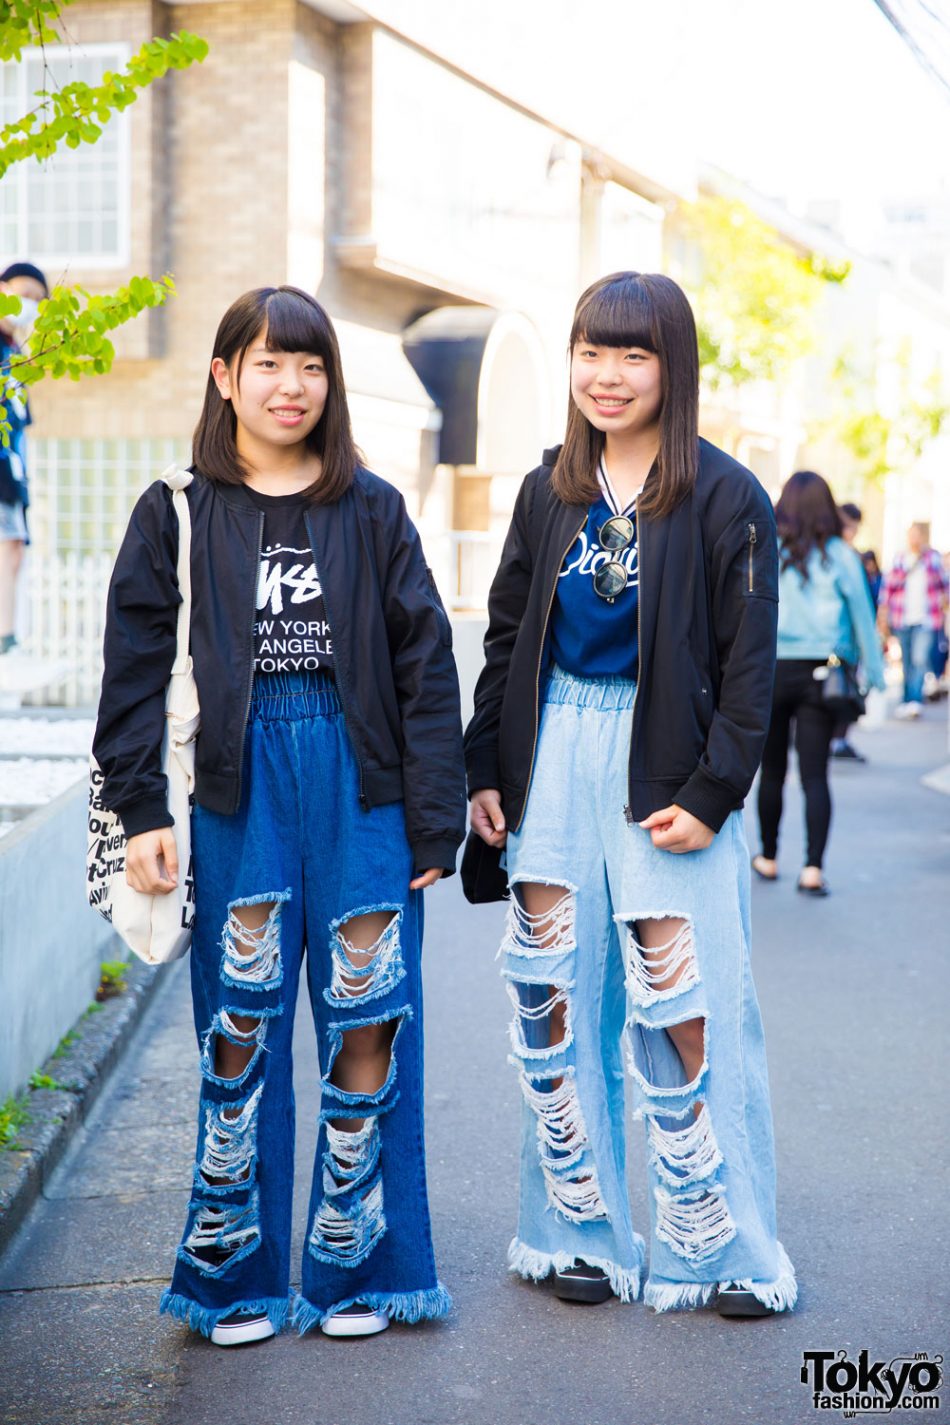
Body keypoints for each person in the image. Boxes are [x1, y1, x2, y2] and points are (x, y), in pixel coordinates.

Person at [93, 286, 465, 1346]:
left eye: (309, 367)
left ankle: (354, 1270)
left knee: (367, 1018)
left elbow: (425, 665)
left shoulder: (373, 508)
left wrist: (431, 820)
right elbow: (129, 673)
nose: (290, 386)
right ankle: (234, 1277)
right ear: (224, 378)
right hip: (232, 784)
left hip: (362, 784)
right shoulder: (176, 507)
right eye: (267, 364)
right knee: (239, 1023)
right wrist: (139, 809)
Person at [464, 271, 796, 1319]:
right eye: (590, 352)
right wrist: (485, 766)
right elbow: (508, 636)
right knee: (551, 990)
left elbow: (749, 668)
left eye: (631, 355)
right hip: (555, 742)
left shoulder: (727, 495)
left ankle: (724, 1245)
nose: (605, 377)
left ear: (671, 368)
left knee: (683, 999)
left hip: (665, 764)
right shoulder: (546, 488)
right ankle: (576, 1230)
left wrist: (712, 789)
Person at [752, 471, 885, 896]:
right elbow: (863, 617)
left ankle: (768, 857)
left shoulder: (766, 551)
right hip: (823, 676)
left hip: (770, 671)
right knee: (814, 775)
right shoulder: (841, 556)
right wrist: (875, 677)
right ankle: (812, 868)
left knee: (770, 771)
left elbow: (747, 614)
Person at [0, 260, 48, 655]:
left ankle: (6, 636)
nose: (27, 303)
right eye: (21, 293)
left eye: (36, 299)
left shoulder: (17, 355)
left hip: (10, 470)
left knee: (12, 547)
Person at [879, 522, 949, 719]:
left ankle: (915, 701)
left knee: (919, 658)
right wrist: (883, 613)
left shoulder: (933, 558)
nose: (914, 539)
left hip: (927, 618)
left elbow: (944, 584)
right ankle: (906, 700)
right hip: (902, 618)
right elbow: (888, 588)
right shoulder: (900, 558)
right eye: (911, 535)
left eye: (918, 535)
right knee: (907, 660)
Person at [830, 501, 873, 762]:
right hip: (837, 646)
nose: (851, 532)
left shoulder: (846, 555)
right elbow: (861, 609)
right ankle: (837, 740)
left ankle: (840, 740)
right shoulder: (842, 556)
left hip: (844, 646)